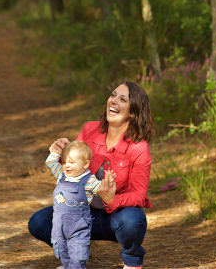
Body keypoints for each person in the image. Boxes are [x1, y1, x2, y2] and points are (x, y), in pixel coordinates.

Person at [29, 82, 154, 269]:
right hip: (82, 212)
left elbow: (138, 194)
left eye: (122, 99)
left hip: (116, 216)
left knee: (132, 221)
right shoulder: (90, 129)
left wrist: (112, 199)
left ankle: (132, 261)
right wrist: (58, 152)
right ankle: (76, 254)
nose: (113, 101)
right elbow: (71, 169)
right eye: (113, 95)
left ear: (133, 111)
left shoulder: (139, 148)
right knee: (39, 222)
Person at [45, 140, 103, 269]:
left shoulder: (89, 180)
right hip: (59, 225)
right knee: (61, 249)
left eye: (71, 162)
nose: (66, 166)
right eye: (64, 162)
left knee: (78, 253)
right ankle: (66, 266)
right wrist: (56, 152)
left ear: (85, 164)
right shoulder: (61, 175)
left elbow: (103, 191)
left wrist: (109, 185)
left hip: (79, 226)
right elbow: (50, 162)